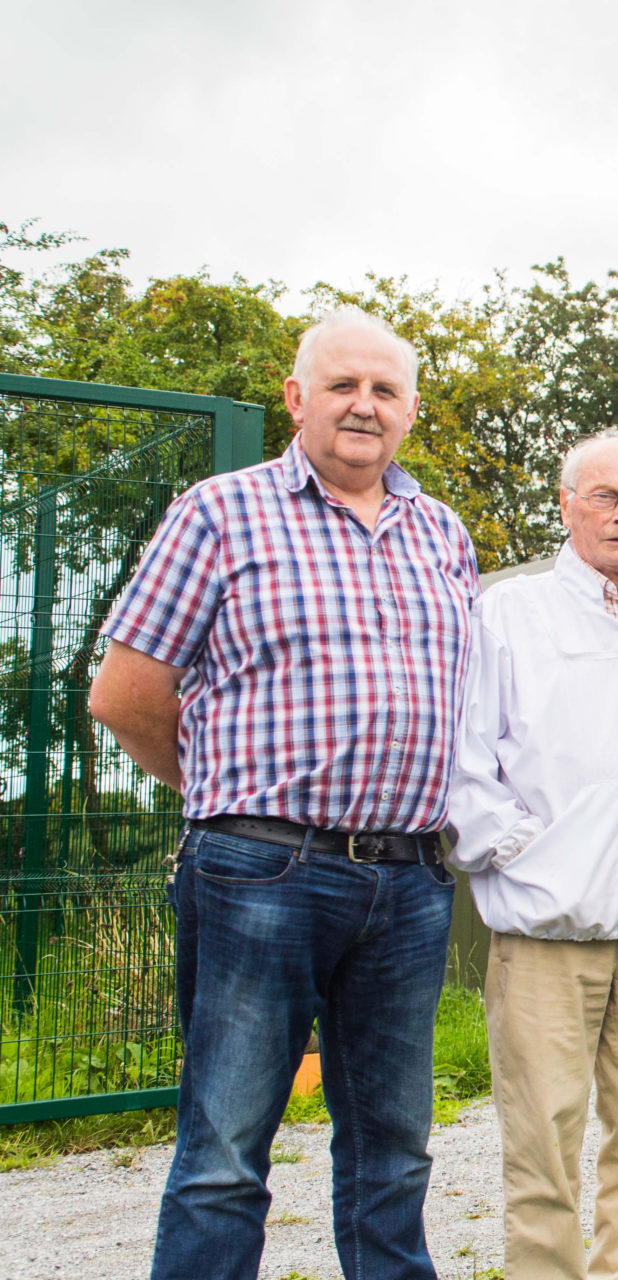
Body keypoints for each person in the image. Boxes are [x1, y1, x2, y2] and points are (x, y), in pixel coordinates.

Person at [88, 307, 477, 1280]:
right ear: (297, 398)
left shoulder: (443, 532)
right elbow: (125, 693)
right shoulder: (221, 511)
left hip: (411, 875)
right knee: (225, 1152)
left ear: (411, 411)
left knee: (394, 1151)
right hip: (259, 870)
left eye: (385, 389)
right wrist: (227, 797)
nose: (363, 404)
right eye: (343, 385)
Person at [445, 428, 618, 1280]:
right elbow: (463, 762)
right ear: (567, 505)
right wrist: (529, 854)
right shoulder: (510, 615)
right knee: (544, 1150)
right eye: (603, 496)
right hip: (546, 934)